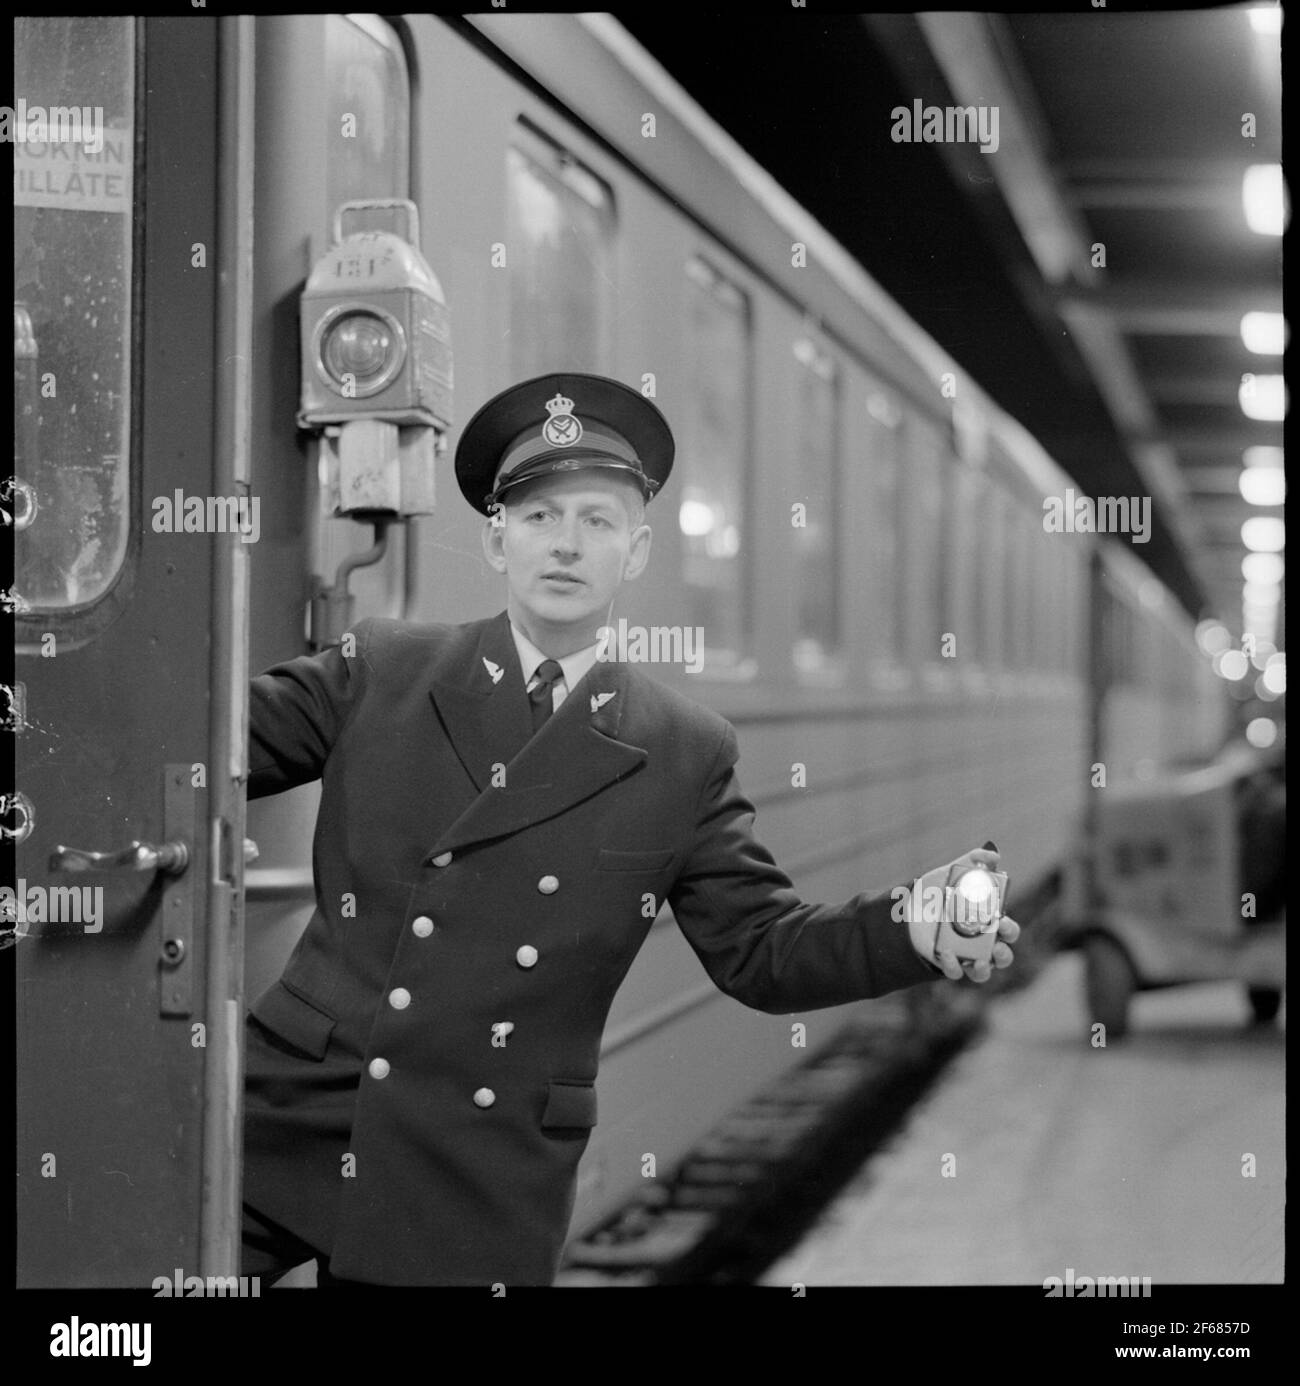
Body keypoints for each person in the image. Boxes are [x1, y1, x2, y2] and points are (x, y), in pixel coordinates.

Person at [240, 371, 1020, 1287]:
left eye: (597, 522)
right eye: (538, 518)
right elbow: (194, 750)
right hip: (290, 1119)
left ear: (637, 552)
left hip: (475, 1168)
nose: (565, 545)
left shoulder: (683, 753)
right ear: (497, 539)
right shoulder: (383, 669)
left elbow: (759, 952)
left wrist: (914, 928)